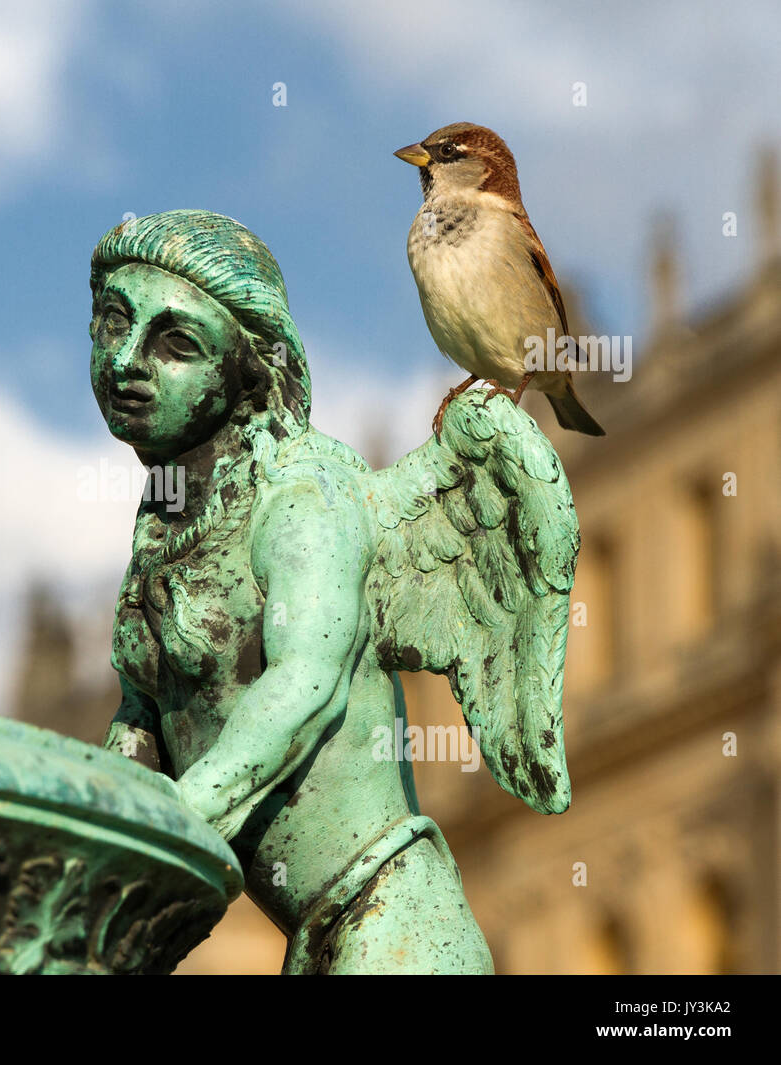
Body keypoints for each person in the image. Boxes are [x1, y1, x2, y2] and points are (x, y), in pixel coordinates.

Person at [91, 210, 576, 974]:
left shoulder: (307, 490)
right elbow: (141, 722)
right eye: (111, 322)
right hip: (314, 939)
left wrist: (168, 823)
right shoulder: (166, 524)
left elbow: (304, 684)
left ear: (250, 367)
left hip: (397, 926)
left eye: (174, 342)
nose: (124, 360)